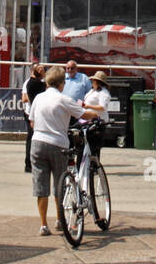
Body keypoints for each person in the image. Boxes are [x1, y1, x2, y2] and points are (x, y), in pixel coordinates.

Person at [28, 65, 102, 235]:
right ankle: (60, 219)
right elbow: (82, 114)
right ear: (61, 83)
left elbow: (32, 122)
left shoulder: (39, 98)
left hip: (37, 142)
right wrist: (96, 115)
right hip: (57, 143)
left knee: (40, 185)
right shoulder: (63, 99)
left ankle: (43, 224)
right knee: (60, 183)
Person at [21, 62, 47, 172]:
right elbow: (24, 98)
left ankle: (33, 162)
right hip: (31, 113)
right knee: (32, 138)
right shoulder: (31, 83)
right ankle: (29, 164)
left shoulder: (39, 83)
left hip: (36, 113)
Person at [83, 71, 111, 156]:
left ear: (98, 82)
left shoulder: (103, 93)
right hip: (88, 120)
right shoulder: (92, 91)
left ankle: (94, 164)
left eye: (94, 81)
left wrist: (88, 106)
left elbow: (102, 107)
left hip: (98, 122)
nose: (92, 82)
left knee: (94, 146)